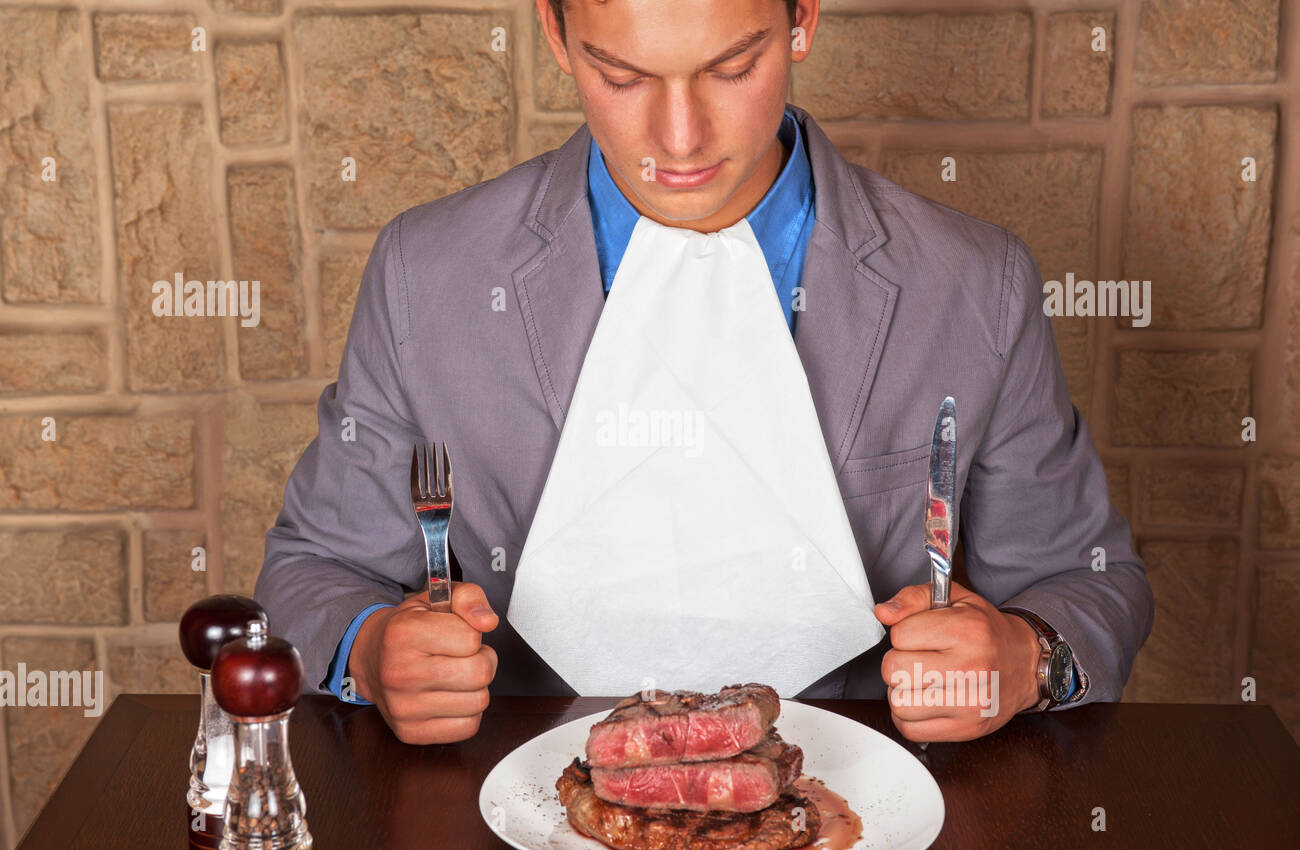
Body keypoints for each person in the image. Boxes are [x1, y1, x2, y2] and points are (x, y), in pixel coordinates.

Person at [254, 0, 1154, 745]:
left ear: (802, 19)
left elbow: (1092, 578)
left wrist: (1026, 657)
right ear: (556, 34)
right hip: (522, 817)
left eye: (733, 68)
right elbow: (311, 568)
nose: (678, 140)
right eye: (623, 75)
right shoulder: (427, 273)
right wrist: (370, 651)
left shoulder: (975, 284)